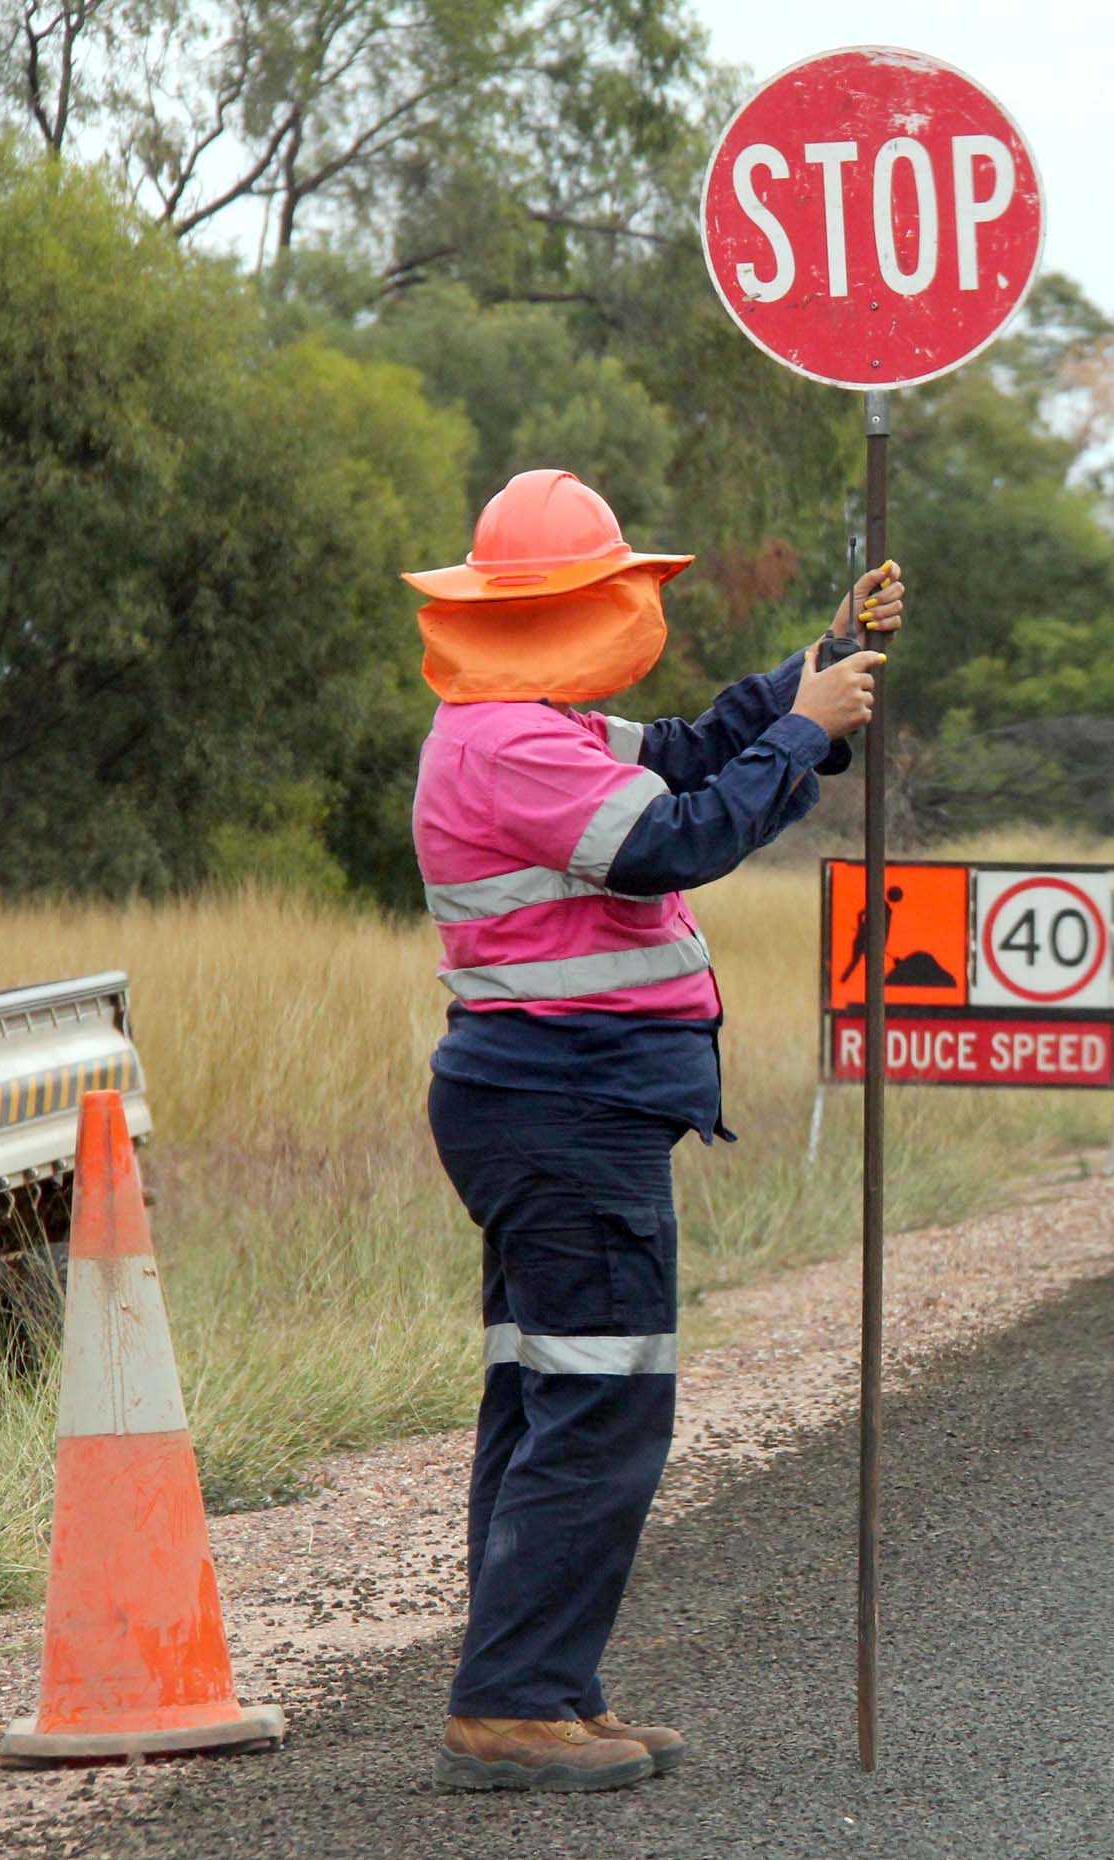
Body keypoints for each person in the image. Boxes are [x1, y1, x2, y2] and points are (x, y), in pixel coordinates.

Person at [406, 467, 899, 1793]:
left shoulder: (529, 723)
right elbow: (678, 838)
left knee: (547, 1400)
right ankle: (514, 1703)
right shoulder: (512, 743)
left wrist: (820, 664)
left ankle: (538, 1689)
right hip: (567, 1112)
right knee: (599, 1411)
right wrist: (803, 735)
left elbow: (685, 753)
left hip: (553, 1106)